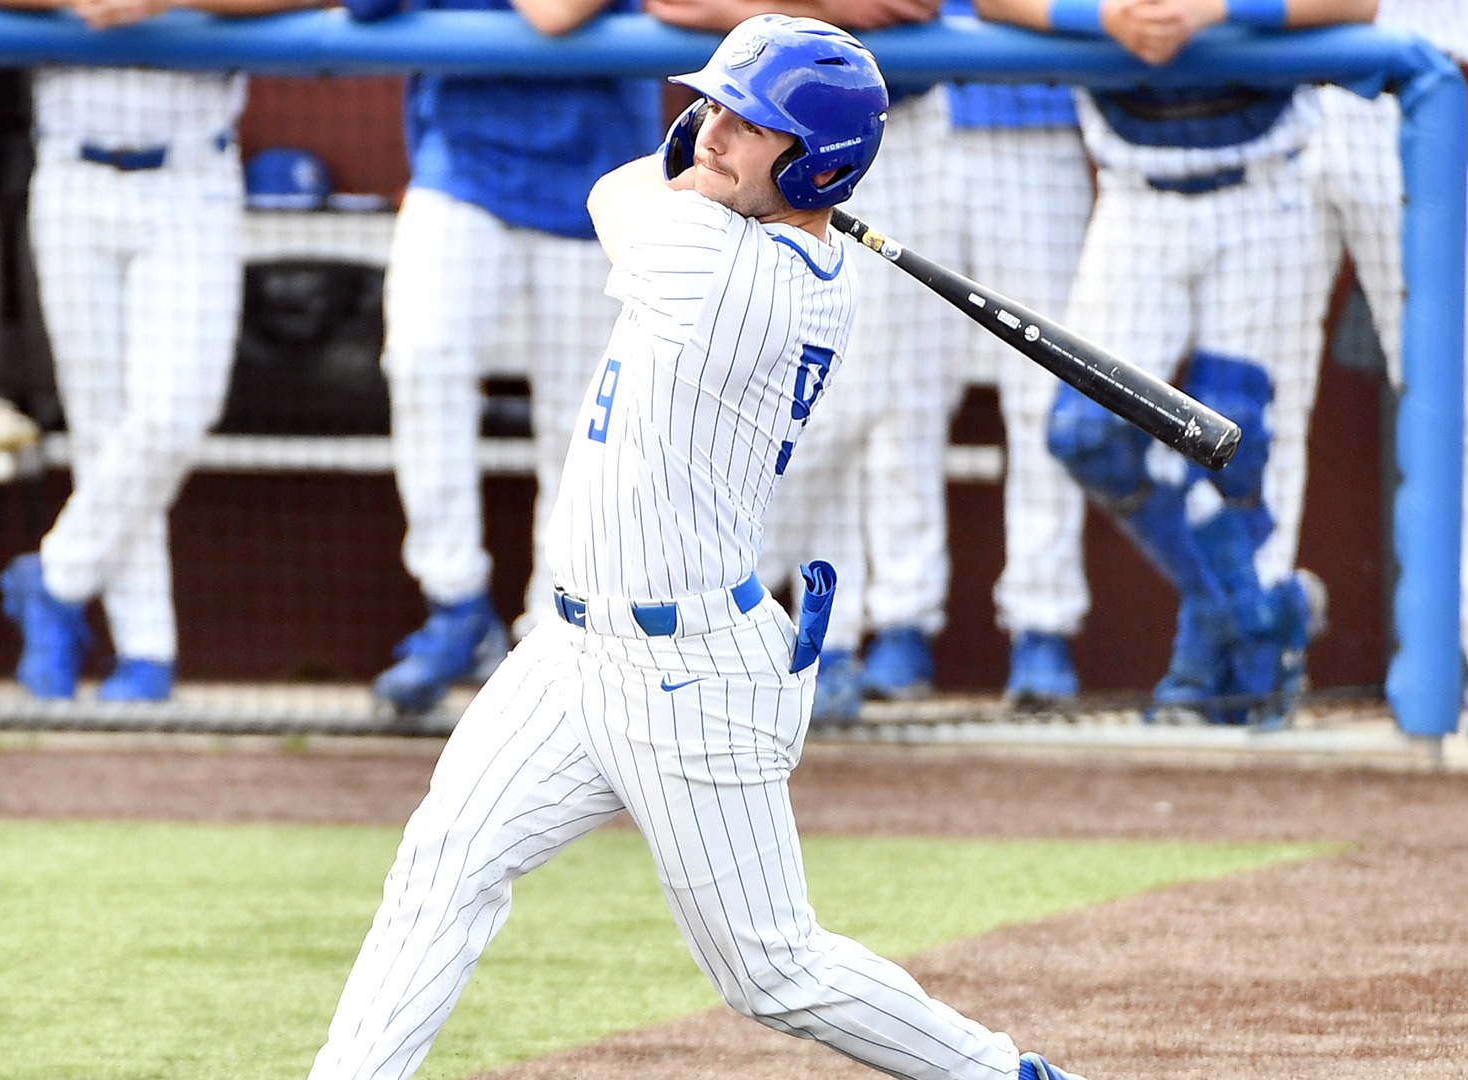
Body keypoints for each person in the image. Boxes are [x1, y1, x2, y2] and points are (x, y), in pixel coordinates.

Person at [306, 18, 1087, 1080]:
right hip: (572, 648)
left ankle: (1004, 1074)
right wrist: (720, 151)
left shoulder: (731, 275)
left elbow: (613, 193)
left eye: (748, 122)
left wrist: (689, 165)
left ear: (816, 161)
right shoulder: (756, 239)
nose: (710, 130)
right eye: (712, 107)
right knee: (442, 867)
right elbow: (654, 180)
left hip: (689, 675)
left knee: (773, 973)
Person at [974, 0, 1376, 726]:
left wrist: (1213, 10)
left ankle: (1239, 676)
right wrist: (1101, 19)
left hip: (1264, 190)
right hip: (1135, 197)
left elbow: (1361, 4)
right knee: (1082, 430)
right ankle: (1248, 614)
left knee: (1240, 443)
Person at [0, 0, 325, 702]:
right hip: (72, 165)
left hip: (191, 170)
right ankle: (146, 652)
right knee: (102, 428)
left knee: (175, 412)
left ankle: (54, 576)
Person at [342, 0, 660, 718]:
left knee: (587, 424)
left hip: (599, 179)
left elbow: (556, 13)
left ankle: (556, 631)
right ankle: (453, 602)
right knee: (421, 361)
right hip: (461, 162)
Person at [647, 0, 958, 725]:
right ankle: (785, 634)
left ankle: (823, 639)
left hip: (885, 131)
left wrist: (768, 23)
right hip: (760, 137)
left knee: (850, 407)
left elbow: (906, 6)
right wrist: (774, 30)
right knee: (796, 408)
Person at [1295, 0, 1468, 748]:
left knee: (1456, 407)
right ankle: (1248, 650)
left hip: (1402, 104)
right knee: (1259, 401)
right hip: (1271, 112)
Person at [940, 0, 1095, 711]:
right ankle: (888, 621)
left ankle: (1043, 622)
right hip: (908, 123)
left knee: (1041, 395)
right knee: (891, 395)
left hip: (1041, 122)